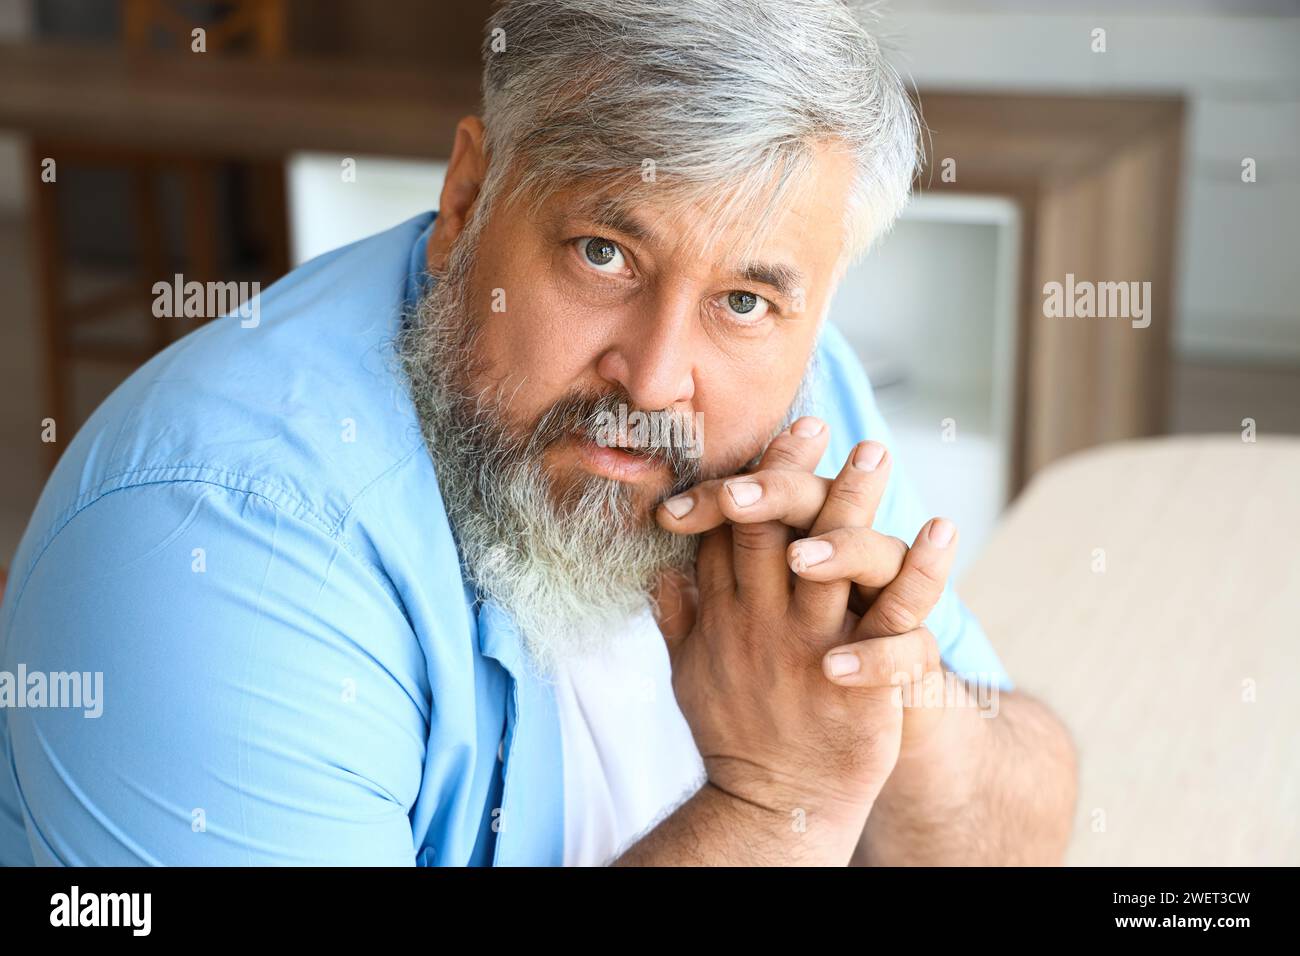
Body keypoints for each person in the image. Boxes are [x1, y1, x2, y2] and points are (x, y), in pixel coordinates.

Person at [0, 0, 1076, 866]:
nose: (655, 376)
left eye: (744, 299)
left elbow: (1023, 833)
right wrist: (778, 799)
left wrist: (887, 693)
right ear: (468, 194)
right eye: (603, 251)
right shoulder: (211, 546)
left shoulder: (793, 406)